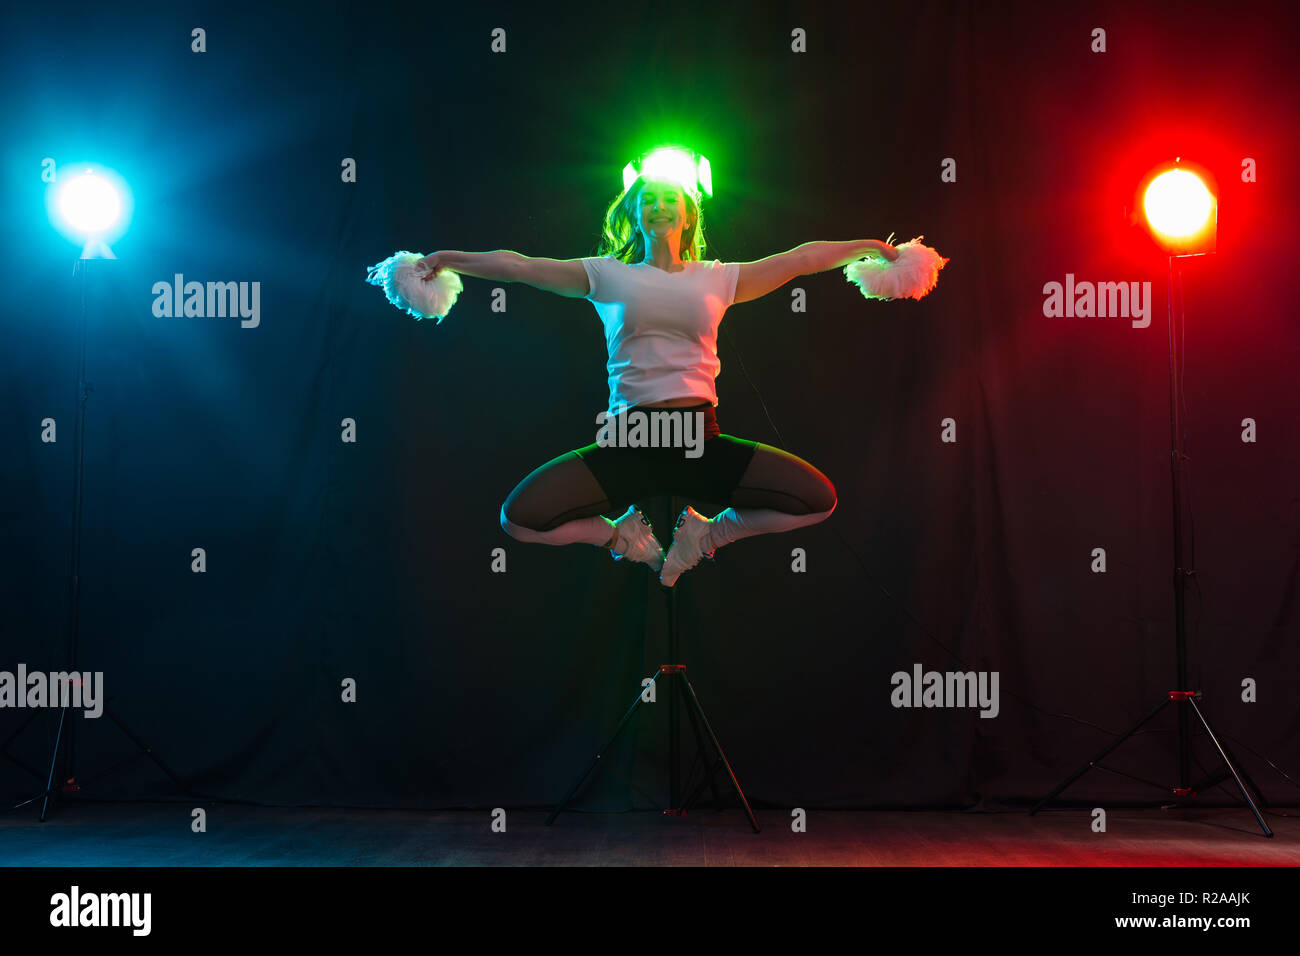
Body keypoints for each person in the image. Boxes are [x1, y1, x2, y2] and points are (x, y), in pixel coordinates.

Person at [416, 175, 897, 586]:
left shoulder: (717, 277)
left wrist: (871, 247)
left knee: (818, 500)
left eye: (670, 199)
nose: (658, 206)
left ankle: (705, 536)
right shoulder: (606, 275)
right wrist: (448, 258)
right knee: (518, 520)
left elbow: (799, 259)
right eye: (648, 199)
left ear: (688, 214)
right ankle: (623, 538)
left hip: (697, 440)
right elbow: (518, 266)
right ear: (636, 213)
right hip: (629, 442)